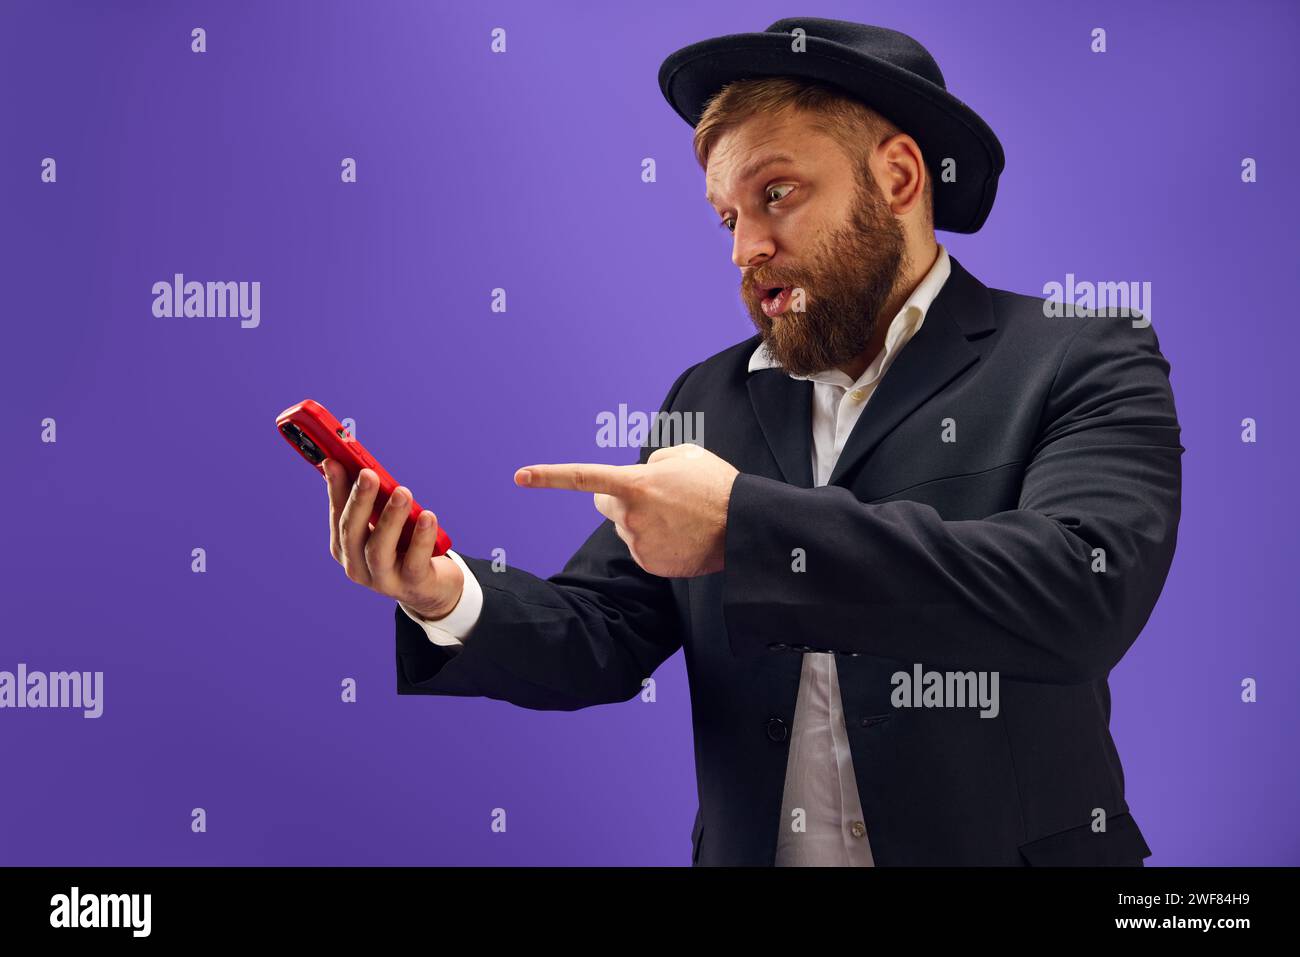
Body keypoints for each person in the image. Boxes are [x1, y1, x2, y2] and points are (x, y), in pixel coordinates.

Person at [321, 18, 1181, 866]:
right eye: (726, 215)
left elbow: (1080, 588)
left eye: (777, 194)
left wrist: (742, 525)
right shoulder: (707, 399)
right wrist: (444, 594)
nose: (746, 247)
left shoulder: (1080, 351)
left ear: (899, 176)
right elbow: (607, 629)